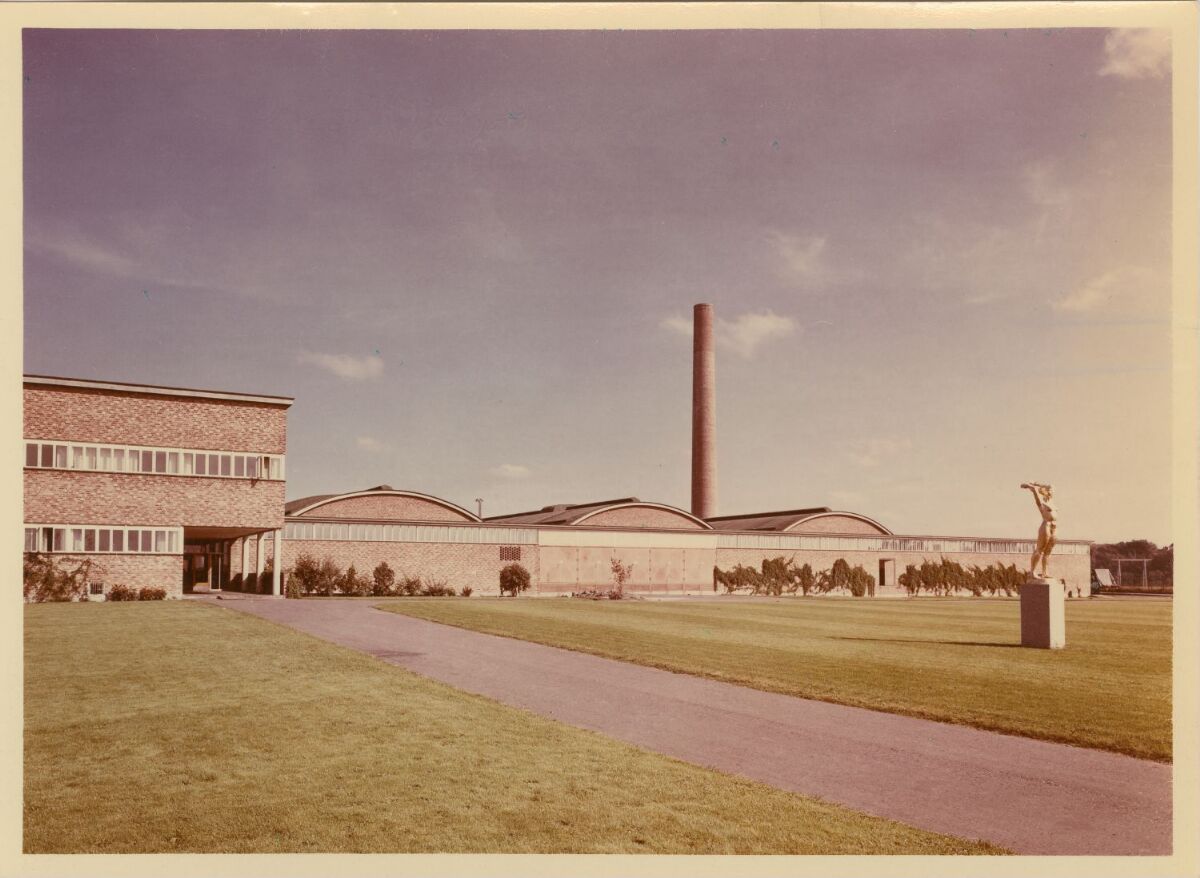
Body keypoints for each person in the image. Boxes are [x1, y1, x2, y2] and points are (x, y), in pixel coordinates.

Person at [1021, 482, 1057, 578]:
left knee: (1048, 551)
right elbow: (1037, 498)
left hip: (1054, 527)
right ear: (1045, 492)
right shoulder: (1042, 503)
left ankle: (1045, 572)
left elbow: (1050, 485)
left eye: (1051, 490)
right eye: (1049, 490)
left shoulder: (1051, 502)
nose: (1051, 491)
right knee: (1040, 549)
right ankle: (1032, 571)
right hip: (1046, 525)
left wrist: (1038, 483)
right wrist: (1032, 488)